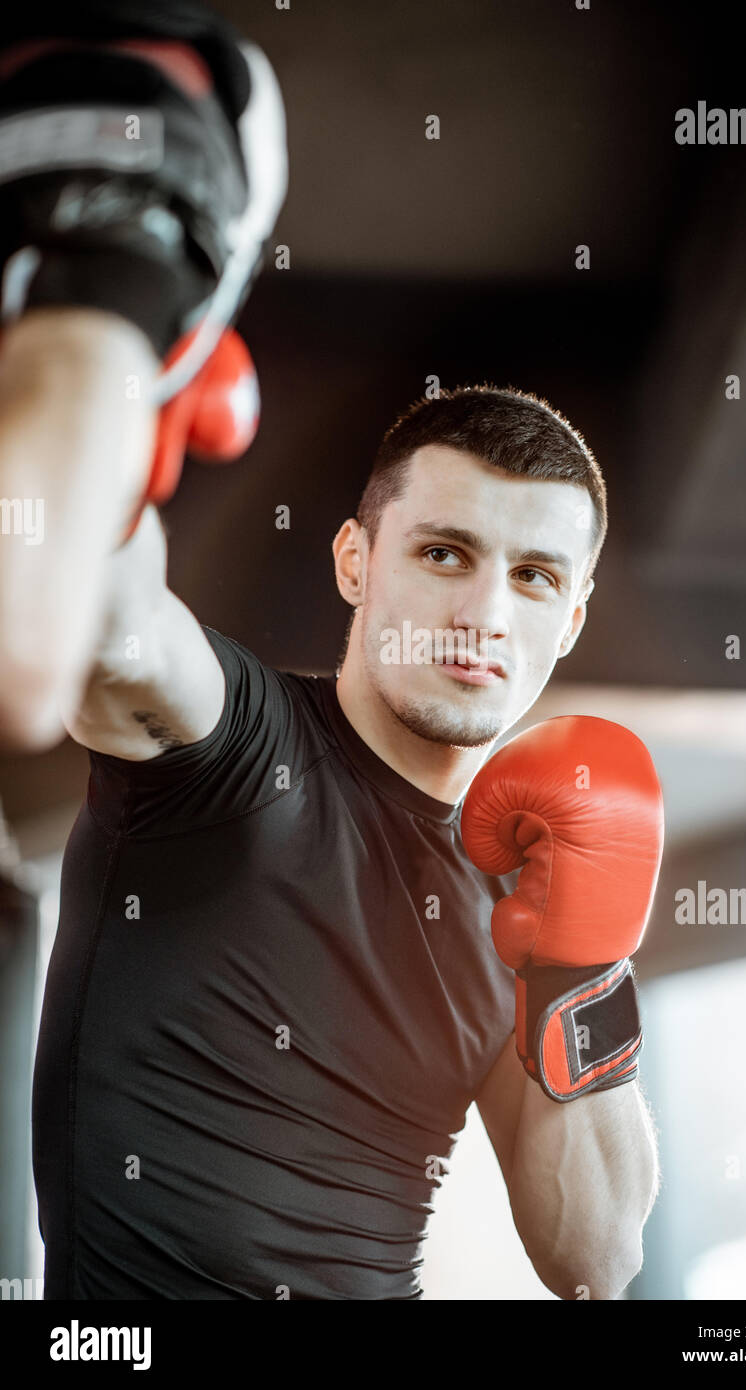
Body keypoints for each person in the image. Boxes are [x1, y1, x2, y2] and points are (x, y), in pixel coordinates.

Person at [2, 5, 661, 1301]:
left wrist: (587, 961)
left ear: (569, 621)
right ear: (357, 561)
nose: (484, 611)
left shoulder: (524, 901)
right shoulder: (237, 745)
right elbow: (103, 625)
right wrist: (112, 404)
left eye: (534, 577)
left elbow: (597, 1255)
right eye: (444, 552)